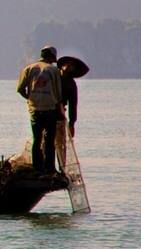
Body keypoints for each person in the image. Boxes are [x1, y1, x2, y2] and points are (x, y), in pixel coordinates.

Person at [18, 45, 65, 176]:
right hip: (49, 109)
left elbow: (20, 89)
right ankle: (49, 168)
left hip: (35, 109)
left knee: (37, 139)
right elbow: (58, 94)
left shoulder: (29, 68)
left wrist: (30, 98)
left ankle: (37, 168)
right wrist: (60, 110)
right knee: (49, 140)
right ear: (51, 57)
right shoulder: (54, 70)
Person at [57, 56, 89, 141]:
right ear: (62, 65)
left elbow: (73, 105)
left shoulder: (71, 84)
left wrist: (72, 123)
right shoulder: (53, 76)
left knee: (61, 141)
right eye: (67, 63)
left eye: (71, 65)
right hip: (45, 109)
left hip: (59, 113)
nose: (69, 66)